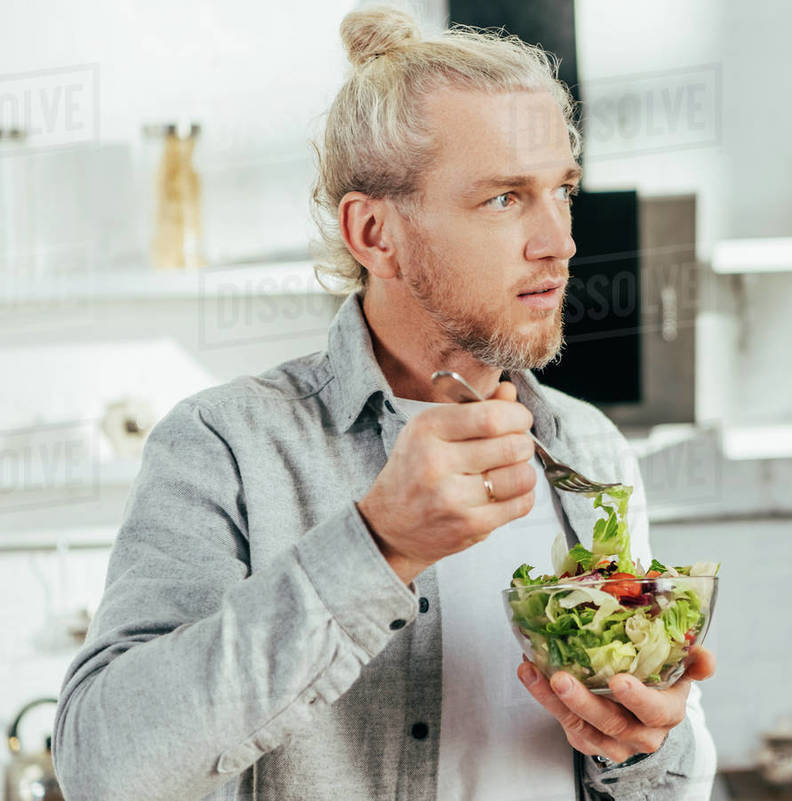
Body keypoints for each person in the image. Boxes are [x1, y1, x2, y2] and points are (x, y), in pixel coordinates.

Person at [52, 6, 717, 801]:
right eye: (505, 198)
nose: (561, 241)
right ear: (375, 233)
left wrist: (645, 743)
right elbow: (102, 765)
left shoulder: (587, 449)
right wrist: (378, 544)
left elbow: (667, 783)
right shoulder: (227, 446)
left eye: (561, 191)